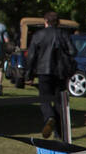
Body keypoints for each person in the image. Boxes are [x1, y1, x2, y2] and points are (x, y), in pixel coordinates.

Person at [23, 10, 75, 139]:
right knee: (58, 102)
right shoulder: (64, 34)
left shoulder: (38, 35)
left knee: (44, 98)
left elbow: (31, 56)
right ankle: (58, 133)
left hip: (43, 71)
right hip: (60, 72)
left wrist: (28, 74)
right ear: (57, 22)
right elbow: (73, 51)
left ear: (46, 21)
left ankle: (49, 117)